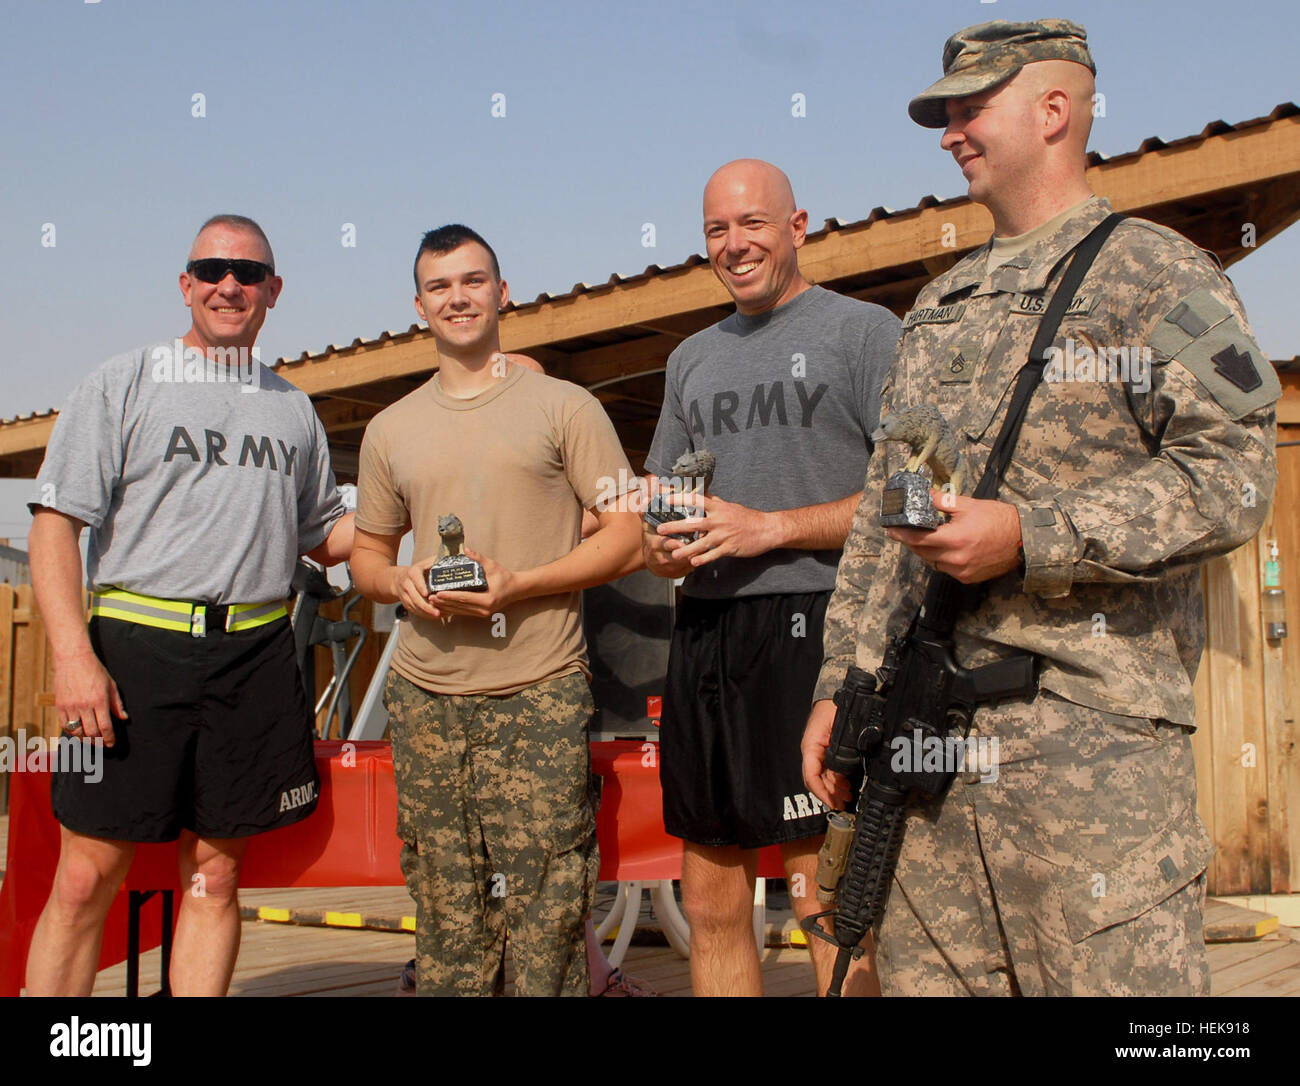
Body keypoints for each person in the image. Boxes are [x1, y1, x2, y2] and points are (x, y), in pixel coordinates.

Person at [801, 19, 1279, 996]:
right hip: (923, 765)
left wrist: (1032, 537)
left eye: (968, 108)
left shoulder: (1159, 274)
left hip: (1087, 760)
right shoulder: (935, 310)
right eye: (943, 115)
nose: (948, 132)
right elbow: (879, 521)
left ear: (1054, 109)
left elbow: (1235, 471)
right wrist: (834, 682)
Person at [25, 214, 355, 996]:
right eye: (210, 270)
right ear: (185, 285)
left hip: (254, 657)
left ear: (274, 291)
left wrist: (427, 498)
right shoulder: (124, 382)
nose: (227, 285)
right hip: (133, 653)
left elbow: (327, 537)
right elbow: (54, 526)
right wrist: (74, 656)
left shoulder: (294, 410)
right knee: (85, 876)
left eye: (246, 273)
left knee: (214, 876)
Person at [351, 224, 643, 997]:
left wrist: (521, 584)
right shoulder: (390, 429)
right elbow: (366, 558)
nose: (459, 298)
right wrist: (399, 582)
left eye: (473, 281)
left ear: (503, 292)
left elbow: (628, 538)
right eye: (441, 287)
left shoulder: (565, 407)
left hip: (538, 692)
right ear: (419, 306)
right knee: (448, 910)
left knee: (548, 912)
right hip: (427, 700)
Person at [642, 160, 901, 996]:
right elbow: (657, 507)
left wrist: (772, 527)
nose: (734, 243)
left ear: (798, 226)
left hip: (817, 625)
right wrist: (662, 548)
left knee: (820, 897)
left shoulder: (862, 333)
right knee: (714, 901)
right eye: (717, 229)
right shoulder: (690, 358)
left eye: (752, 223)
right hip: (707, 631)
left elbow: (914, 493)